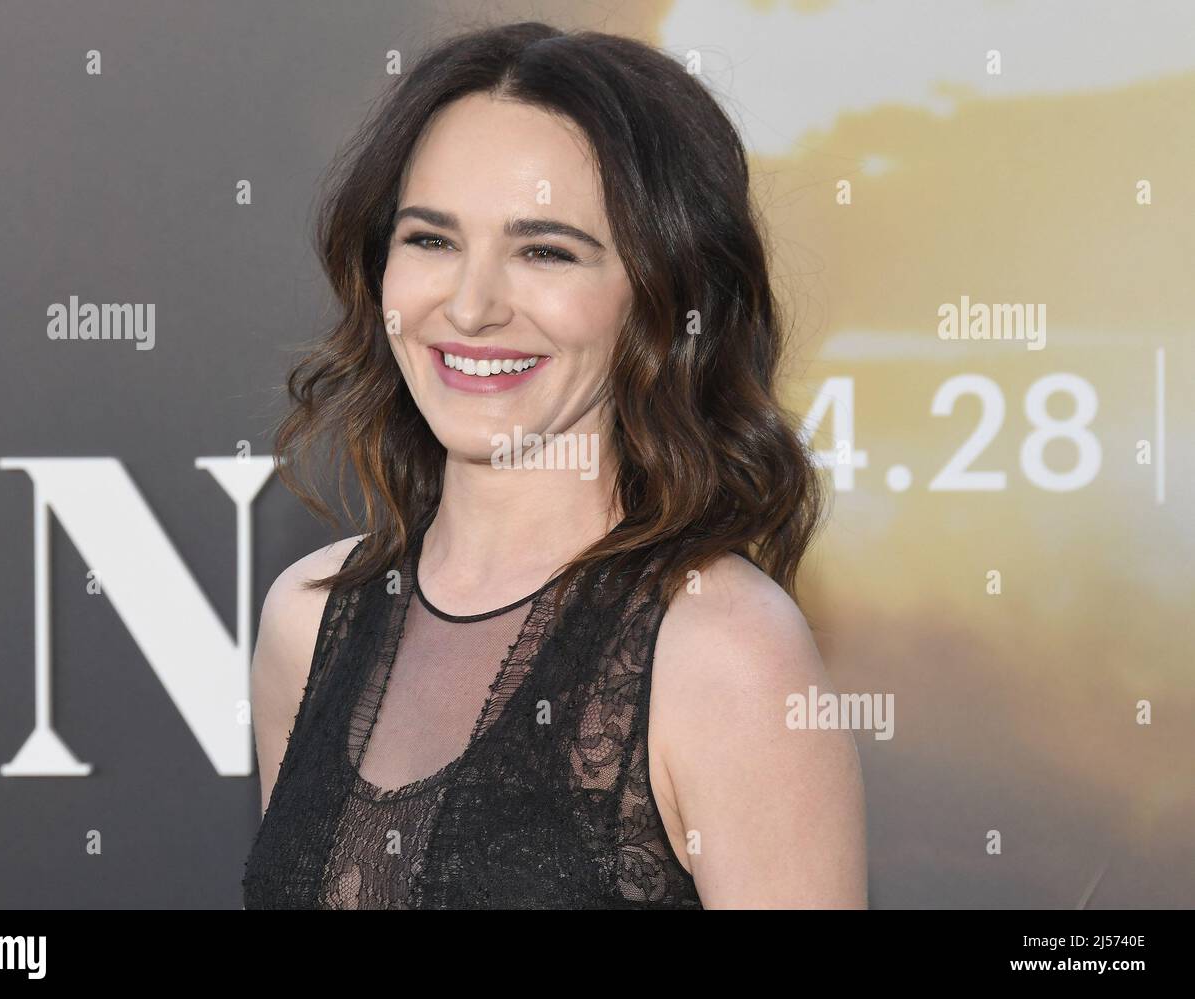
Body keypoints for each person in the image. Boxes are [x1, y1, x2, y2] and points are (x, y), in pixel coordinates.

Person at [241, 20, 866, 909]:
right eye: (431, 239)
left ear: (661, 293)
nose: (471, 305)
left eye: (544, 250)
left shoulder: (722, 651)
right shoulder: (306, 623)